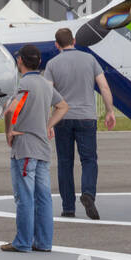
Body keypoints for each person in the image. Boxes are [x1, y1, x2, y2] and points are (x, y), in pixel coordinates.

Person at [44, 27, 117, 219]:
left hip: (63, 118)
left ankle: (68, 207)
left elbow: (47, 94)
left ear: (56, 44)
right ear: (74, 41)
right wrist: (110, 111)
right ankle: (88, 193)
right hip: (86, 116)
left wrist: (48, 123)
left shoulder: (52, 64)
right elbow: (104, 86)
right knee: (89, 160)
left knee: (65, 163)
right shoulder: (89, 59)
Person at [2, 44, 68, 253]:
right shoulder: (46, 85)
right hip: (42, 147)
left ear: (20, 61)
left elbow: (11, 110)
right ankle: (44, 241)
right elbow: (63, 106)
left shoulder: (22, 85)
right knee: (43, 197)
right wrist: (48, 125)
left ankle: (22, 241)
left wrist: (9, 131)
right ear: (39, 62)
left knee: (25, 197)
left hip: (25, 147)